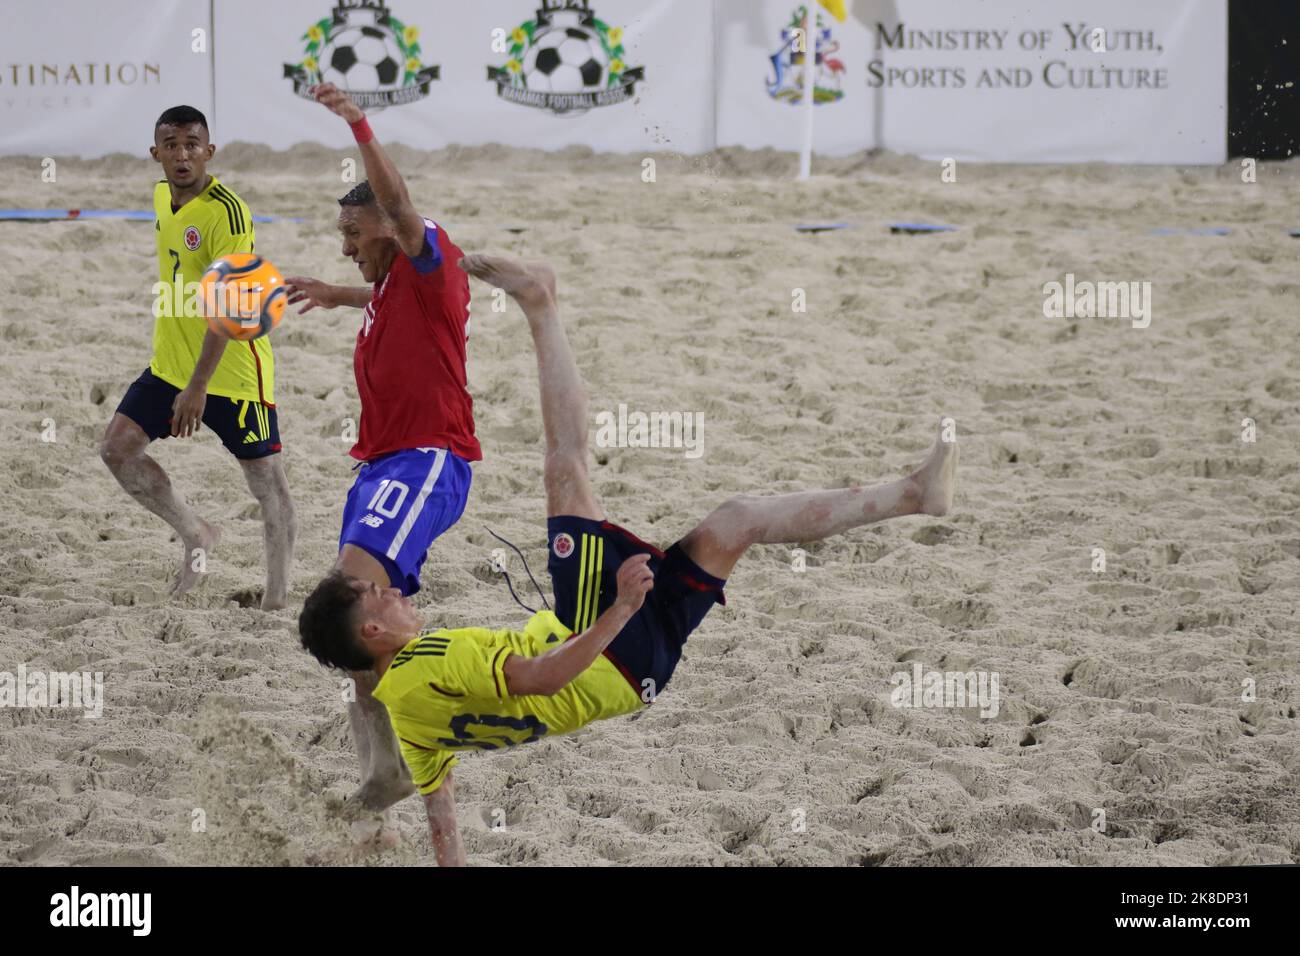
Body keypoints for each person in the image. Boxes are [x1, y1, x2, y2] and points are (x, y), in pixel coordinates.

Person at [298, 254, 959, 865]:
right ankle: (540, 304)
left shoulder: (410, 717)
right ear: (374, 634)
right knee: (566, 468)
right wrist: (618, 608)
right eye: (377, 597)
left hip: (640, 679)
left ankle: (912, 495)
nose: (393, 592)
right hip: (599, 640)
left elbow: (441, 815)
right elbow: (541, 679)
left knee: (737, 522)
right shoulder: (429, 662)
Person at [284, 84, 481, 810]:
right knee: (355, 620)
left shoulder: (424, 255)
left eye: (353, 237)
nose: (345, 246)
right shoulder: (400, 280)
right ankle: (385, 771)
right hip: (381, 465)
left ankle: (398, 762)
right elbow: (388, 290)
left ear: (387, 233)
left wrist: (358, 122)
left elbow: (399, 206)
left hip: (427, 460)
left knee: (345, 604)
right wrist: (340, 293)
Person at [100, 106, 295, 610]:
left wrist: (199, 386)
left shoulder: (228, 212)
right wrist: (184, 380)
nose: (182, 154)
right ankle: (198, 533)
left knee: (266, 483)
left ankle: (276, 599)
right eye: (171, 144)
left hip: (232, 374)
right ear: (156, 154)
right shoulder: (162, 195)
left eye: (192, 144)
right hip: (170, 366)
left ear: (209, 151)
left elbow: (230, 305)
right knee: (118, 450)